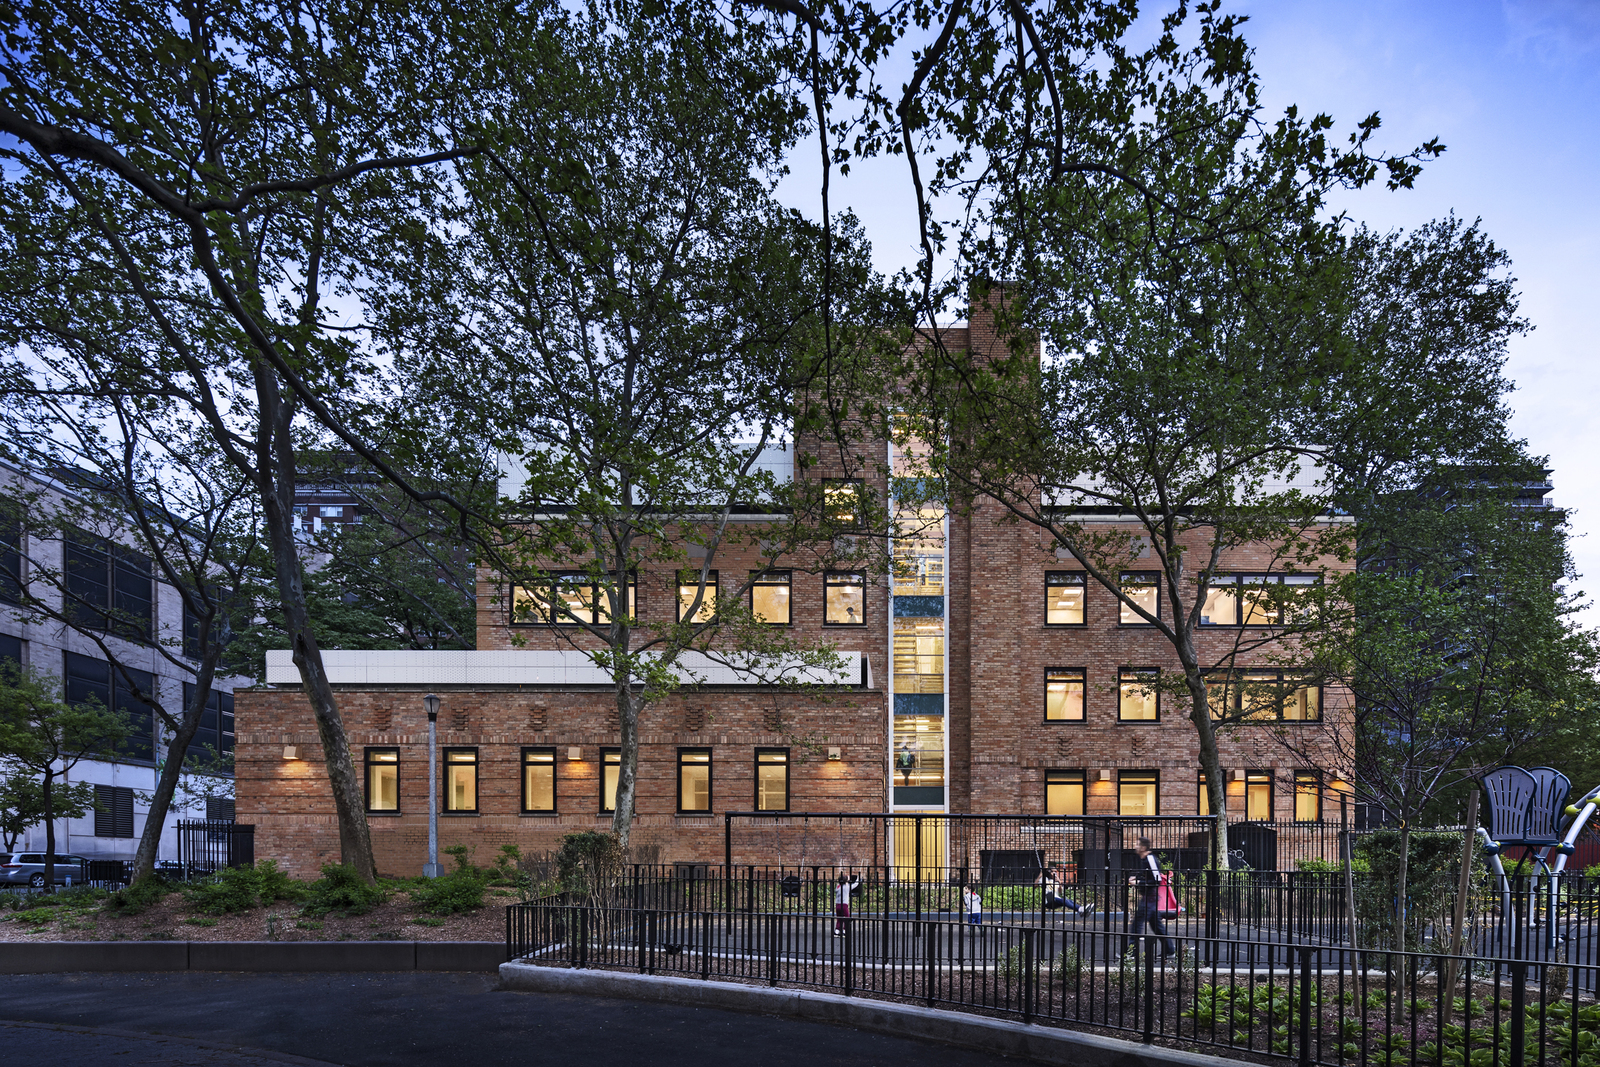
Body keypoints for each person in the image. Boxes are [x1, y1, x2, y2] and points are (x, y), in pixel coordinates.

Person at [1127, 838, 1176, 957]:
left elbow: (1156, 880)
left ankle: (1132, 952)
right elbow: (1148, 875)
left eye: (1137, 844)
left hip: (1150, 898)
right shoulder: (1145, 860)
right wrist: (1137, 878)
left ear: (1143, 848)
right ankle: (1169, 950)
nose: (1135, 846)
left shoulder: (1150, 859)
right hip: (1149, 897)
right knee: (1156, 925)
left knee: (1136, 924)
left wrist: (1138, 882)